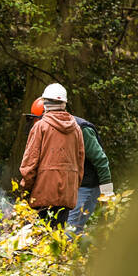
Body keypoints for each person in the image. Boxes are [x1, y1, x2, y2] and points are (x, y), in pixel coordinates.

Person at [27, 97, 114, 233]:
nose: (36, 123)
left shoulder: (81, 128)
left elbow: (101, 160)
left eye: (37, 119)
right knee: (53, 231)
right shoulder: (48, 129)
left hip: (86, 185)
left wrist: (107, 193)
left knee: (70, 231)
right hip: (68, 186)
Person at [18, 82, 84, 229]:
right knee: (57, 236)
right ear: (64, 103)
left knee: (40, 237)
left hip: (42, 193)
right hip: (67, 193)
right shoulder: (77, 129)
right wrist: (72, 188)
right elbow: (80, 164)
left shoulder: (40, 126)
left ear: (45, 103)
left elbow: (30, 163)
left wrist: (25, 189)